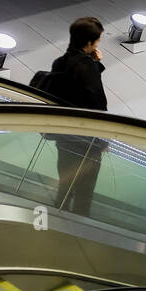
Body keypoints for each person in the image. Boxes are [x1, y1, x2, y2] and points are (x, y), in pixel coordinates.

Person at [44, 16, 109, 215]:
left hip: (63, 139)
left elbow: (71, 91)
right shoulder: (87, 67)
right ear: (89, 43)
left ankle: (58, 222)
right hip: (86, 145)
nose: (98, 43)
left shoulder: (60, 62)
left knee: (65, 187)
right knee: (84, 194)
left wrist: (95, 62)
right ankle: (78, 230)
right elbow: (97, 104)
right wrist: (101, 141)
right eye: (97, 40)